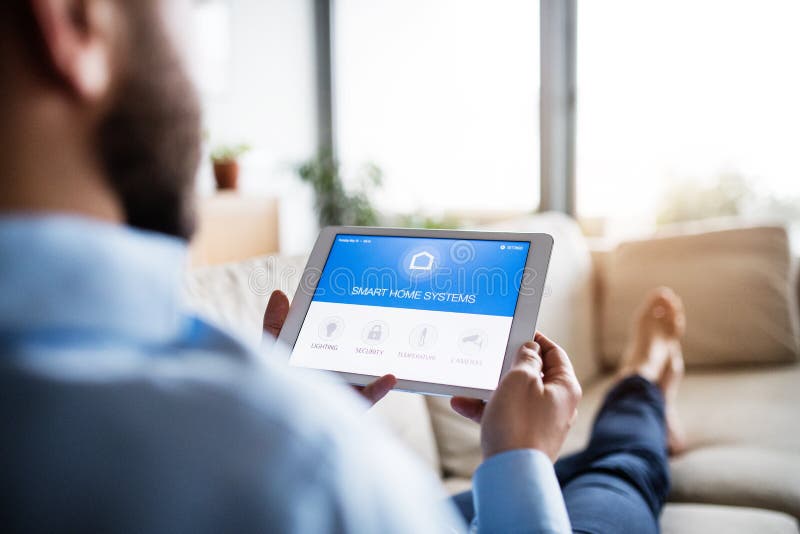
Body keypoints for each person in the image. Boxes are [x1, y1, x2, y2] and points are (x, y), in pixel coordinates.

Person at [0, 0, 686, 532]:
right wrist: (521, 461)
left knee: (578, 464)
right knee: (620, 470)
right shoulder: (300, 463)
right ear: (73, 20)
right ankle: (647, 377)